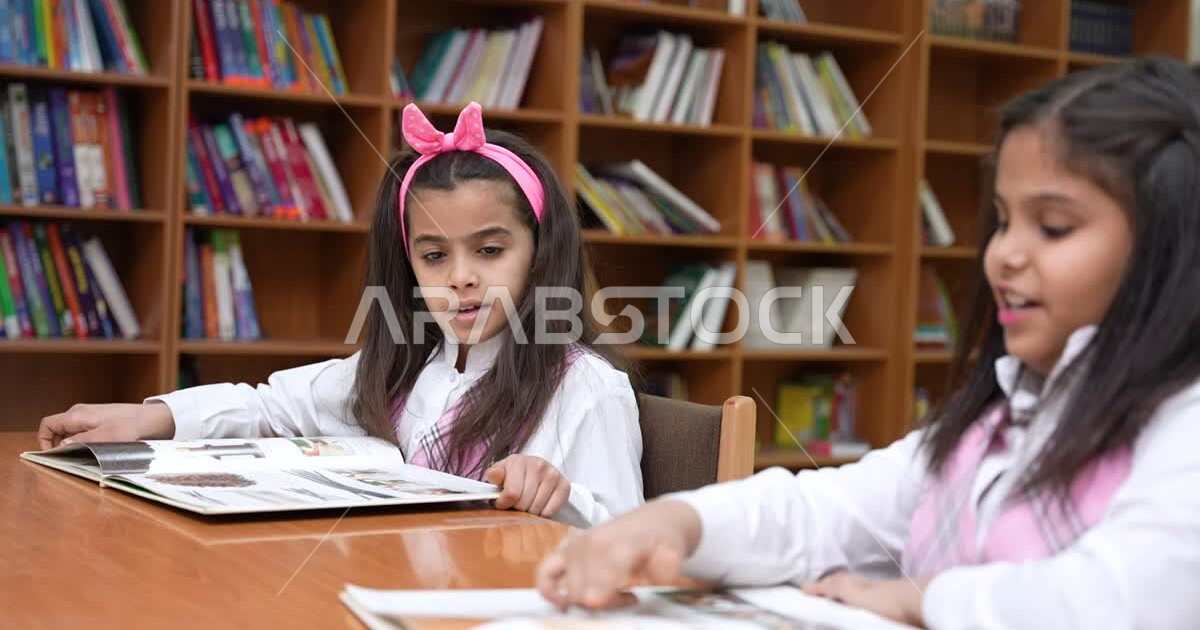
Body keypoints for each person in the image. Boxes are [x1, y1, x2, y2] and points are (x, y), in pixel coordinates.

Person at [535, 56, 1200, 628]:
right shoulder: (996, 419)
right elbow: (824, 510)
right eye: (1002, 220)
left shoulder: (1184, 424)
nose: (1005, 255)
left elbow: (1129, 600)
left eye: (1053, 227)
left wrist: (921, 601)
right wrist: (677, 523)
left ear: (1176, 246)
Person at [37, 101, 645, 528]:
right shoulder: (407, 368)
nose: (460, 276)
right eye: (433, 255)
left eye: (490, 250)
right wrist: (153, 417)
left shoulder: (587, 387)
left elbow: (629, 545)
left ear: (542, 251)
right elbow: (272, 405)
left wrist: (559, 497)